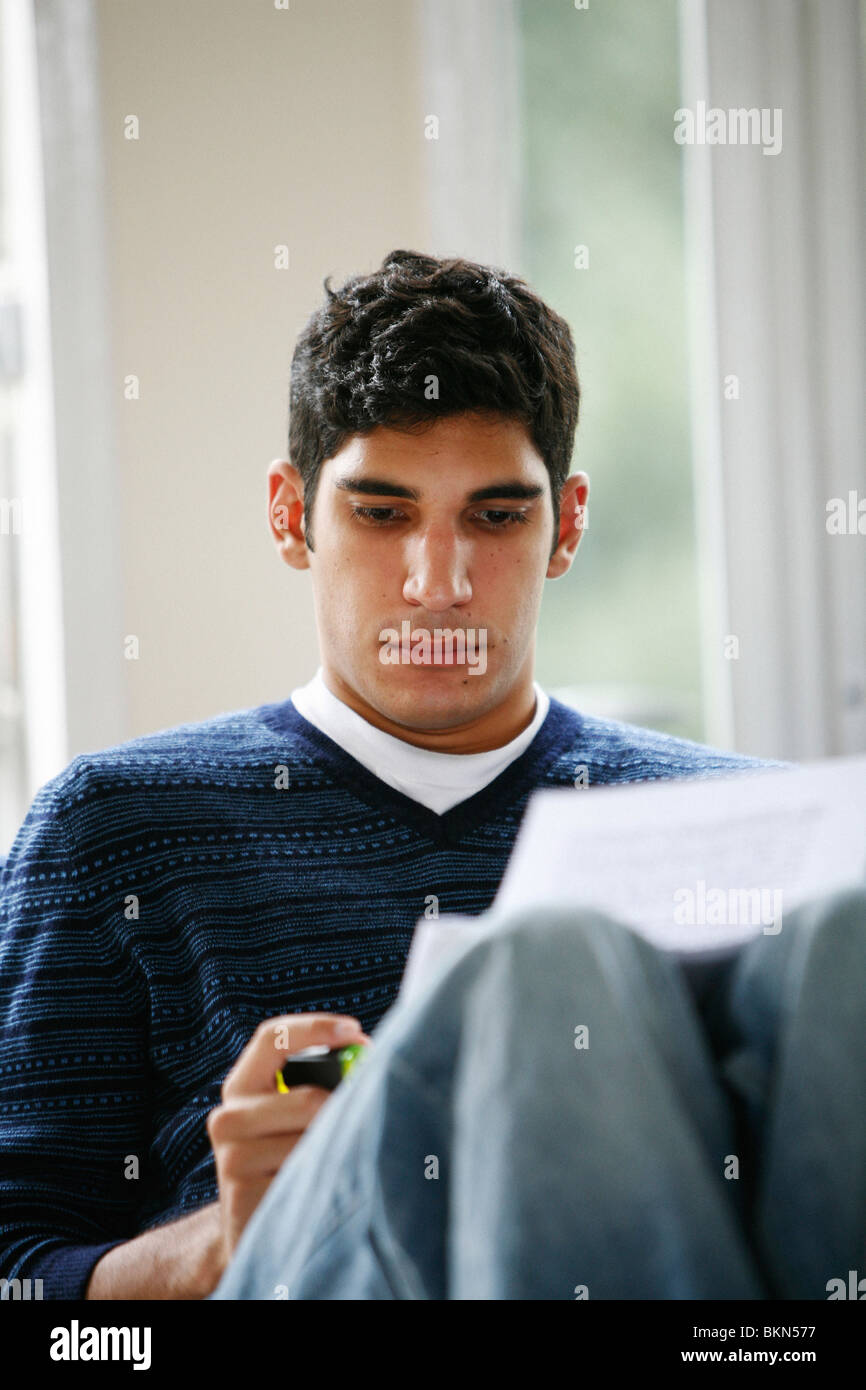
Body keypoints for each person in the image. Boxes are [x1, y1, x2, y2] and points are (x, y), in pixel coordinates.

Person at [0, 249, 783, 1300]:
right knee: (539, 970)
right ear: (290, 515)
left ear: (569, 524)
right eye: (381, 513)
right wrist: (225, 1243)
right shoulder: (113, 831)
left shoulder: (734, 822)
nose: (439, 583)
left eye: (496, 516)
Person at [210, 883, 866, 1301]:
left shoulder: (736, 795)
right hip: (323, 1254)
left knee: (849, 933)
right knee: (543, 960)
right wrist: (218, 1241)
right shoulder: (119, 807)